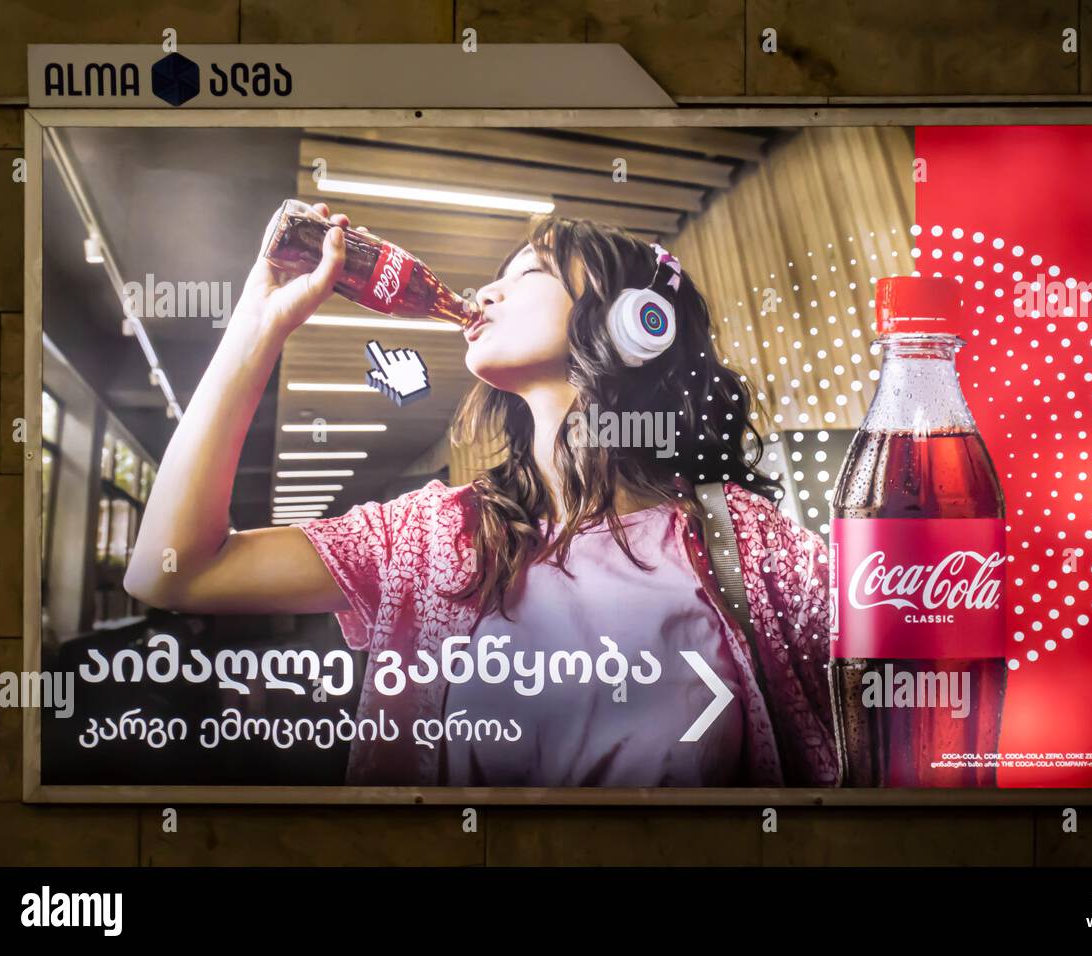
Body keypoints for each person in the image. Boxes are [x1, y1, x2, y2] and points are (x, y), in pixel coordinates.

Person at [125, 202, 838, 788]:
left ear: (635, 322)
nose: (488, 291)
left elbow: (917, 661)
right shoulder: (430, 537)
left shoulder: (745, 543)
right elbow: (175, 570)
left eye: (529, 273)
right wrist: (259, 324)